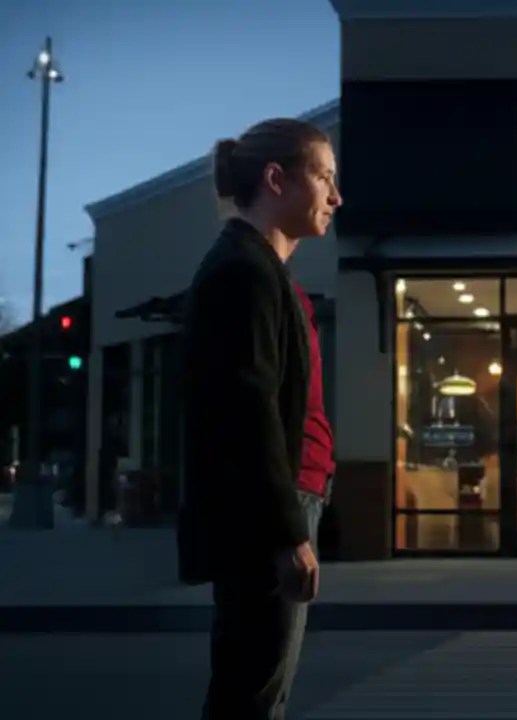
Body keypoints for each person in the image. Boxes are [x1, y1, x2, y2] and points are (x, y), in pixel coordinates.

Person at [177, 117, 341, 720]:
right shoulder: (243, 273)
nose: (336, 197)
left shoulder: (262, 270)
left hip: (285, 504)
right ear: (277, 180)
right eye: (324, 178)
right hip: (268, 515)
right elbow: (247, 411)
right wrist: (288, 533)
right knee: (252, 695)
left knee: (260, 689)